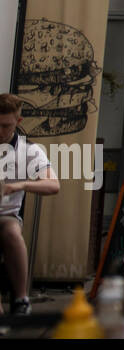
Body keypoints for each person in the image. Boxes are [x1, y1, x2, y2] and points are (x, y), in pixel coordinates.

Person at [0, 94, 58, 316]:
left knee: (12, 233)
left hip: (6, 215)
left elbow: (53, 185)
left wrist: (19, 185)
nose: (1, 131)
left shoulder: (29, 150)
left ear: (18, 122)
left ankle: (21, 298)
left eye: (6, 126)